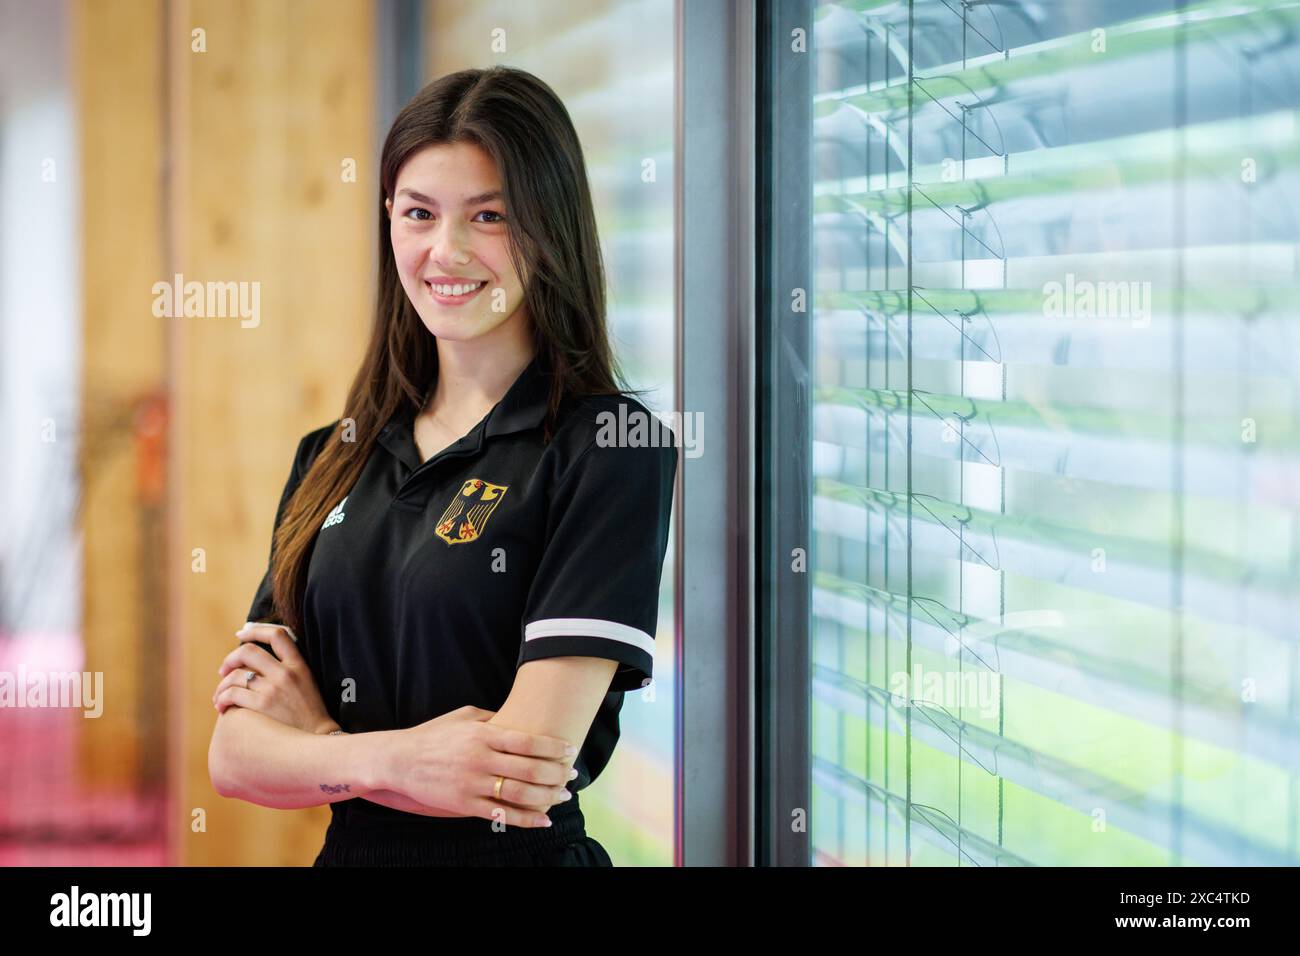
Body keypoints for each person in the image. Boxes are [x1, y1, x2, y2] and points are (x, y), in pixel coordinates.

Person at [206, 66, 677, 867]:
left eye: (488, 216)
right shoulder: (330, 456)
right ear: (389, 219)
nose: (445, 251)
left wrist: (318, 745)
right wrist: (390, 761)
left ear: (548, 229)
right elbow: (233, 757)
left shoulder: (610, 446)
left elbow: (521, 773)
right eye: (419, 213)